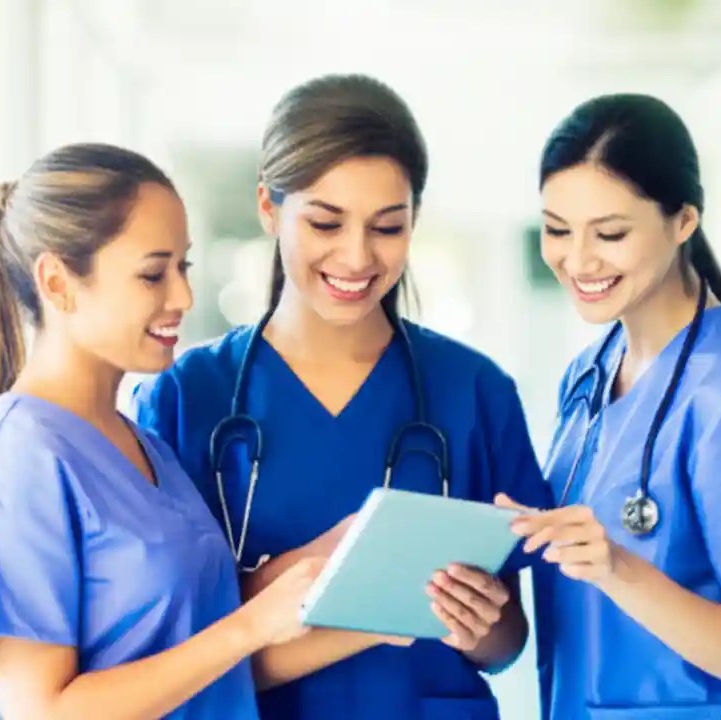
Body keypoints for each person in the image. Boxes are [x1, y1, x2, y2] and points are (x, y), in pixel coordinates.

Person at [133, 74, 551, 719]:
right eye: (326, 222)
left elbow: (507, 644)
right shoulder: (188, 398)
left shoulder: (473, 391)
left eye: (388, 227)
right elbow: (162, 651)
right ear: (269, 209)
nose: (356, 258)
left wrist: (481, 625)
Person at [0, 143, 323, 720]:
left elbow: (198, 633)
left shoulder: (144, 448)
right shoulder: (18, 460)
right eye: (152, 273)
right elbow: (44, 712)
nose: (183, 297)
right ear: (58, 284)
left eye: (182, 267)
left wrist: (379, 571)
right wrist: (250, 627)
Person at [495, 94, 721, 719]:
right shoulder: (589, 374)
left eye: (611, 233)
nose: (579, 260)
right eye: (557, 229)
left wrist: (615, 565)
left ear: (683, 222)